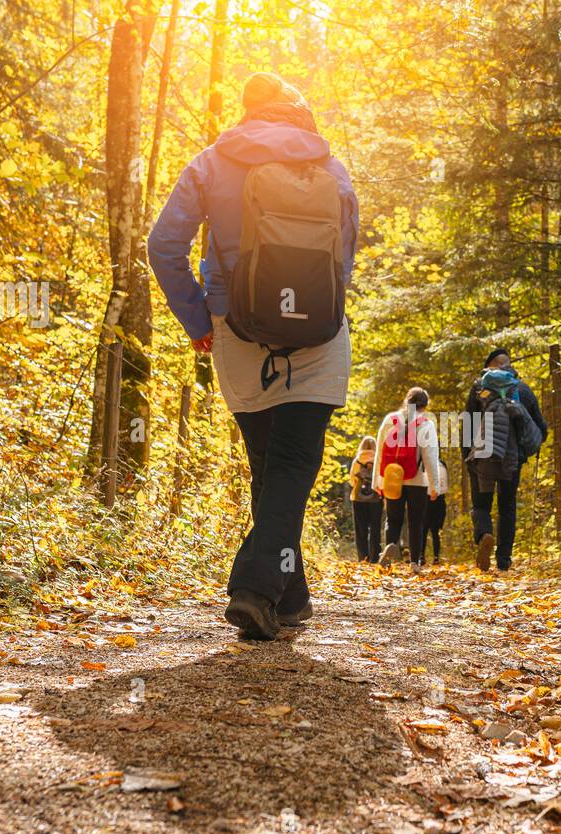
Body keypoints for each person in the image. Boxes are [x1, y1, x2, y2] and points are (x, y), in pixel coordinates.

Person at [147, 72, 359, 640]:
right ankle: (261, 590)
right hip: (318, 332)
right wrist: (312, 310)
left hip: (236, 329)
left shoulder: (211, 163)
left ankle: (284, 596)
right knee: (290, 468)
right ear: (299, 115)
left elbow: (163, 245)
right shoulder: (333, 171)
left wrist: (198, 317)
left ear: (248, 112)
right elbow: (345, 258)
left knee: (268, 466)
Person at [461, 348, 548, 571]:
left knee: (481, 505)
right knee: (507, 506)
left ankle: (485, 534)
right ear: (508, 365)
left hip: (482, 456)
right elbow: (541, 426)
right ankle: (504, 559)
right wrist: (529, 446)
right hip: (512, 459)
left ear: (490, 366)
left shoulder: (479, 389)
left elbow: (468, 424)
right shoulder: (523, 390)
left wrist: (467, 455)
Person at [372, 387, 440, 568]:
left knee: (393, 519)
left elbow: (379, 452)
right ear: (425, 406)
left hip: (392, 478)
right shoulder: (426, 423)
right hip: (416, 479)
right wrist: (435, 486)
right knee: (416, 521)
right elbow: (430, 457)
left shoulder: (390, 420)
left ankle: (389, 550)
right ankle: (415, 562)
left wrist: (378, 481)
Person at [348, 436, 382, 562]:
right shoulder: (378, 459)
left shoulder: (357, 461)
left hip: (358, 499)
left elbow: (352, 481)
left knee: (360, 529)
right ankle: (375, 558)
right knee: (375, 529)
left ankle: (363, 558)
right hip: (375, 498)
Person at [421, 458, 448, 563]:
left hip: (426, 499)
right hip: (440, 500)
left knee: (423, 530)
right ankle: (436, 557)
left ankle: (421, 556)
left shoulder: (425, 463)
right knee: (435, 531)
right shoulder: (443, 464)